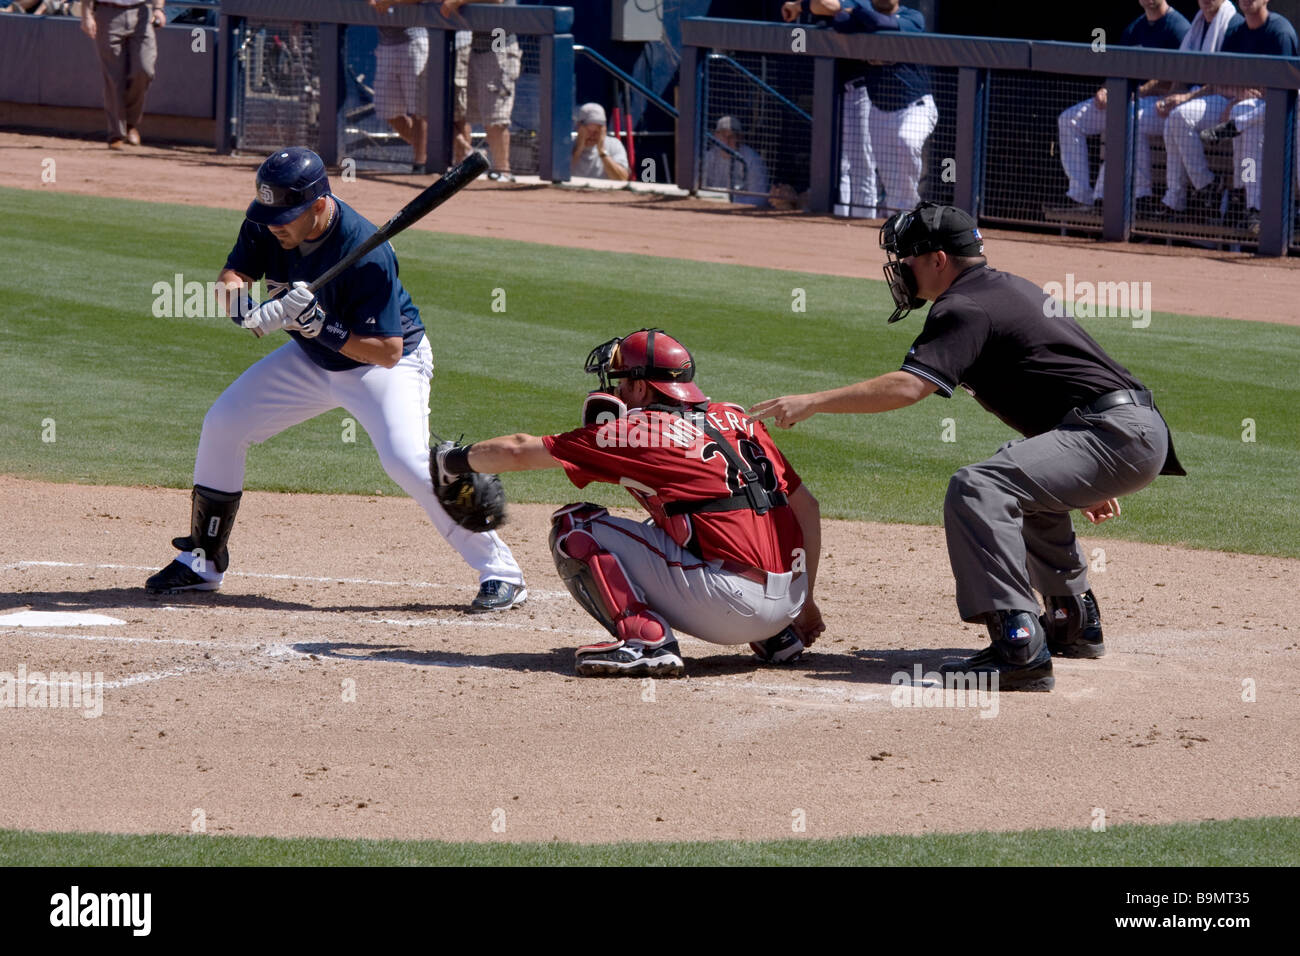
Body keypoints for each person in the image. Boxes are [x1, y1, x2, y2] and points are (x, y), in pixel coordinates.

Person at [750, 203, 1185, 692]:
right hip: (1120, 430)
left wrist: (815, 401)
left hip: (1112, 433)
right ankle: (1072, 621)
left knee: (979, 486)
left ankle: (1018, 646)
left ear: (938, 259)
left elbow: (909, 387)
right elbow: (1061, 378)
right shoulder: (1003, 287)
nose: (900, 269)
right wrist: (1076, 466)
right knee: (1019, 485)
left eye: (907, 258)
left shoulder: (964, 306)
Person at [144, 147, 528, 614]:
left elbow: (387, 351)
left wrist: (321, 326)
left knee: (406, 462)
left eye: (287, 215)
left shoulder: (367, 251)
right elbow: (232, 276)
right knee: (224, 423)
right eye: (270, 215)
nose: (275, 225)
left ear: (320, 204)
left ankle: (502, 571)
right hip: (311, 361)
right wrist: (243, 310)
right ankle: (202, 562)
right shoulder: (269, 222)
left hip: (386, 367)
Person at [432, 329, 825, 677]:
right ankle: (776, 638)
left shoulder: (640, 431)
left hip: (729, 607)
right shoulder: (739, 419)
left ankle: (646, 642)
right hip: (788, 602)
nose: (615, 390)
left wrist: (451, 461)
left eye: (620, 380)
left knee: (576, 528)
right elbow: (806, 507)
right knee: (680, 518)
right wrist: (803, 604)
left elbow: (519, 451)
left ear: (640, 387)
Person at [1056, 0, 1190, 214]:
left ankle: (1139, 196)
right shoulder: (1134, 27)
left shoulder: (1179, 27)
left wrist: (1141, 91)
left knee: (1129, 118)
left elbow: (1180, 76)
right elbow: (1117, 67)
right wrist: (1105, 89)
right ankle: (1080, 196)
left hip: (1160, 105)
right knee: (1069, 120)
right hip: (1127, 99)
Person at [814, 0, 936, 219]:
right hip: (879, 111)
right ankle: (897, 221)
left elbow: (881, 21)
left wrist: (855, 11)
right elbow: (840, 22)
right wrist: (854, 14)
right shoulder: (865, 18)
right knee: (889, 180)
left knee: (906, 141)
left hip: (915, 107)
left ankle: (911, 207)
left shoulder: (913, 17)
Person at [1195, 0, 1298, 235]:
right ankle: (1247, 202)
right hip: (1252, 115)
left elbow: (1282, 88)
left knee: (1243, 116)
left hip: (1286, 114)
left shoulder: (1280, 32)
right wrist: (1236, 96)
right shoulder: (1235, 31)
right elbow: (1219, 79)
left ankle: (1248, 200)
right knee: (1245, 122)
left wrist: (1238, 100)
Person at [1156, 0, 1243, 221]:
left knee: (1179, 116)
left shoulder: (1233, 25)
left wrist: (1184, 97)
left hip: (1228, 101)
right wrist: (1171, 97)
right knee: (1170, 121)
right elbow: (1182, 70)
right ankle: (1175, 200)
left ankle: (1207, 184)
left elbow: (1221, 81)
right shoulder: (1197, 24)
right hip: (1200, 98)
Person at [444, 0, 521, 181]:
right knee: (476, 115)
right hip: (478, 43)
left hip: (499, 40)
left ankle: (504, 171)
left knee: (496, 117)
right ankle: (473, 166)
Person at [81, 0, 166, 150]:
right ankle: (117, 133)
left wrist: (158, 8)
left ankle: (130, 123)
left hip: (141, 11)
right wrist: (86, 15)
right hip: (108, 12)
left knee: (144, 70)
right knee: (114, 78)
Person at [367, 1, 429, 174]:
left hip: (414, 40)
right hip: (386, 44)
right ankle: (430, 152)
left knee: (419, 110)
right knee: (388, 112)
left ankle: (421, 163)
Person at [701, 116, 771, 207]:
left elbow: (760, 197)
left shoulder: (752, 159)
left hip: (741, 209)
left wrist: (732, 204)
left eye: (732, 136)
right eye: (723, 135)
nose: (727, 141)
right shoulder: (709, 156)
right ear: (716, 136)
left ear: (740, 138)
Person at [571, 102, 631, 181]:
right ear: (579, 127)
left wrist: (602, 151)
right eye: (589, 131)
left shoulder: (614, 145)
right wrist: (578, 149)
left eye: (597, 131)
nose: (592, 136)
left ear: (604, 130)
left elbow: (622, 178)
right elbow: (558, 174)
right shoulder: (568, 144)